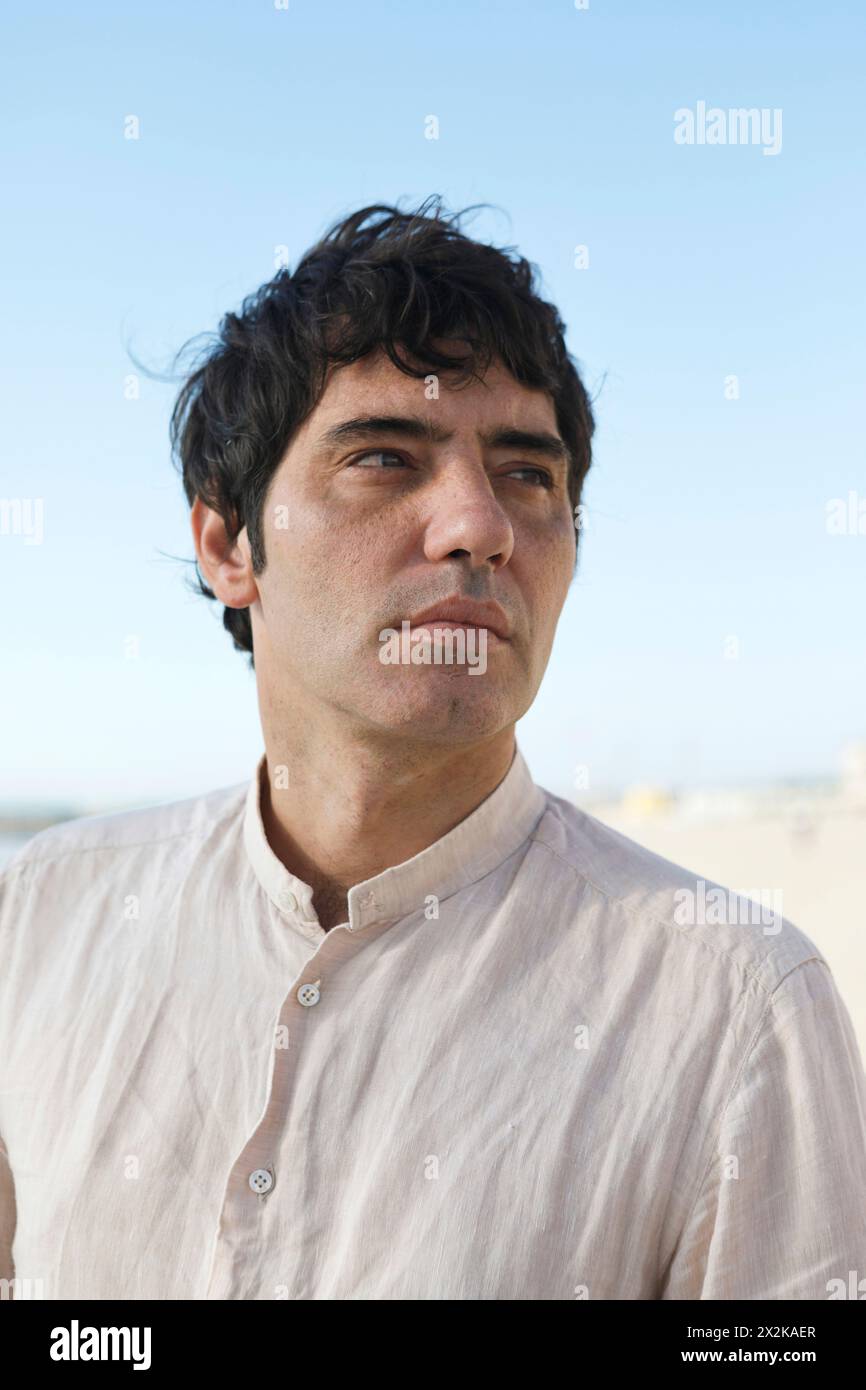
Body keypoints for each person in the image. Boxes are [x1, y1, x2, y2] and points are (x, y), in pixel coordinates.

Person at [1, 199, 864, 1301]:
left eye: (525, 474)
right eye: (383, 457)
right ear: (228, 543)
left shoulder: (738, 1008)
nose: (478, 524)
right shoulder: (41, 920)